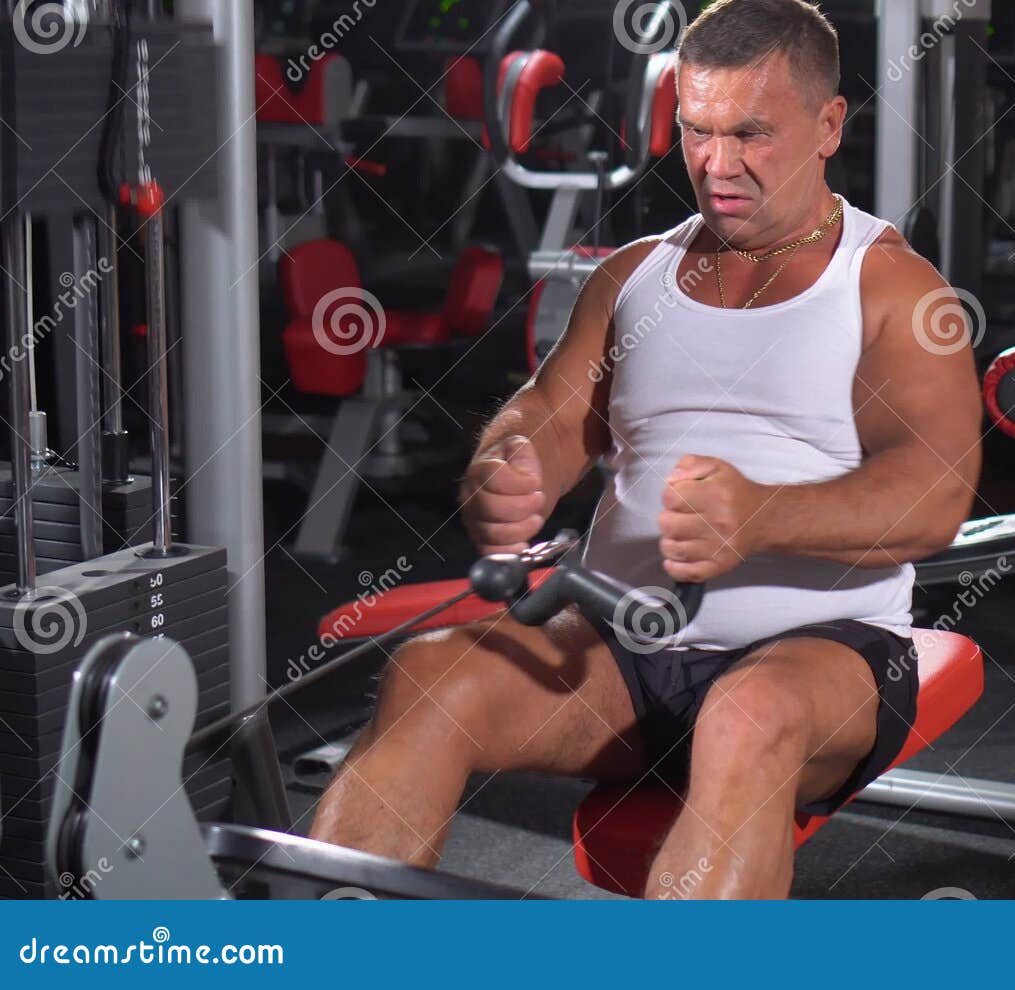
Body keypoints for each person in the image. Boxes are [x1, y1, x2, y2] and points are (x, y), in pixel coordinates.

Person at [310, 0, 981, 898]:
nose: (717, 164)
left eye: (750, 133)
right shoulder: (634, 277)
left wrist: (762, 517)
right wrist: (507, 472)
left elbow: (935, 495)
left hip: (825, 656)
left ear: (829, 126)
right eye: (698, 131)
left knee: (748, 713)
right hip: (626, 646)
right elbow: (546, 418)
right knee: (434, 674)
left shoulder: (892, 287)